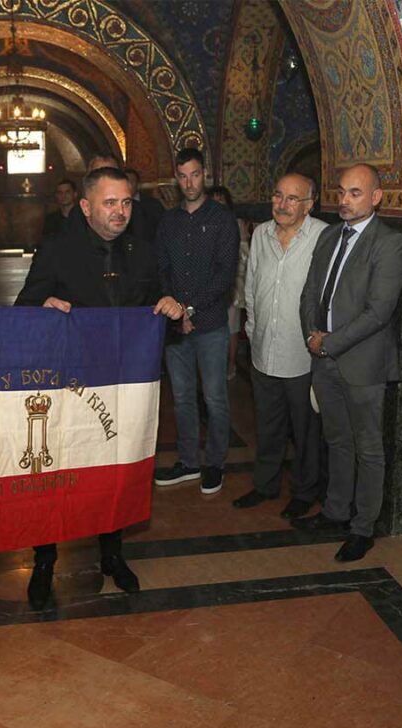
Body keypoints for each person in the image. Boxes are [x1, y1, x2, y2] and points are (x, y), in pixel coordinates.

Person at [15, 166, 186, 609]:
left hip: (122, 389)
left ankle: (112, 554)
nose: (121, 211)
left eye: (127, 202)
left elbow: (164, 317)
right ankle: (45, 561)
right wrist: (42, 307)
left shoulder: (145, 253)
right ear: (87, 206)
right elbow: (23, 309)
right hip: (66, 388)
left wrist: (171, 309)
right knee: (55, 475)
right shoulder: (56, 250)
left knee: (116, 470)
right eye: (110, 203)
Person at [295, 164, 402, 562]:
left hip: (362, 364)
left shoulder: (388, 244)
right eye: (342, 192)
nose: (344, 200)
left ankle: (363, 528)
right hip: (322, 358)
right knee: (336, 440)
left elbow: (379, 312)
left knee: (368, 448)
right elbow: (310, 290)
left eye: (355, 193)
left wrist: (330, 343)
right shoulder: (329, 236)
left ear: (376, 197)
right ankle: (335, 511)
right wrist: (311, 332)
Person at [233, 173, 327, 519]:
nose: (282, 205)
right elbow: (252, 285)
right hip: (263, 350)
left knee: (304, 430)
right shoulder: (260, 235)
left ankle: (304, 491)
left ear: (308, 205)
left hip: (302, 355)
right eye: (277, 196)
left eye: (292, 199)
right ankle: (265, 485)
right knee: (268, 424)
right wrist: (253, 329)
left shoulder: (321, 236)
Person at [153, 148, 240, 494]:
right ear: (177, 178)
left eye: (195, 174)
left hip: (212, 325)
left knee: (216, 397)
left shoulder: (222, 219)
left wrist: (189, 310)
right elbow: (160, 270)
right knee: (183, 397)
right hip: (175, 328)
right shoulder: (167, 222)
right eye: (183, 175)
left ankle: (214, 463)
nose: (189, 182)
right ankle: (188, 462)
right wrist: (175, 310)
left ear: (205, 175)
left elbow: (225, 275)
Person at [210, 185, 251, 379]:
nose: (218, 205)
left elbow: (244, 255)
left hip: (230, 284)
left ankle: (231, 364)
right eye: (214, 201)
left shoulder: (236, 223)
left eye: (221, 201)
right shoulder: (203, 223)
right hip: (208, 286)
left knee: (231, 328)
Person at [126, 167, 165, 241]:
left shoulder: (153, 205)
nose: (127, 185)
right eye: (125, 182)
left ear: (138, 185)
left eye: (130, 182)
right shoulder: (117, 205)